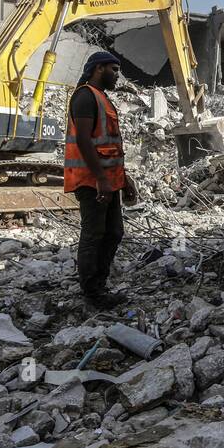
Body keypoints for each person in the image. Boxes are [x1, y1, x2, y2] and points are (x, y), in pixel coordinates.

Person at [64, 51, 139, 308]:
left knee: (114, 233)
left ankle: (99, 285)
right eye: (113, 69)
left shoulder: (102, 98)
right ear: (98, 69)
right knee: (94, 234)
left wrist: (124, 180)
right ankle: (92, 292)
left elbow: (111, 146)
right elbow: (84, 140)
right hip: (92, 180)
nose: (117, 75)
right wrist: (101, 179)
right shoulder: (85, 96)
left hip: (108, 179)